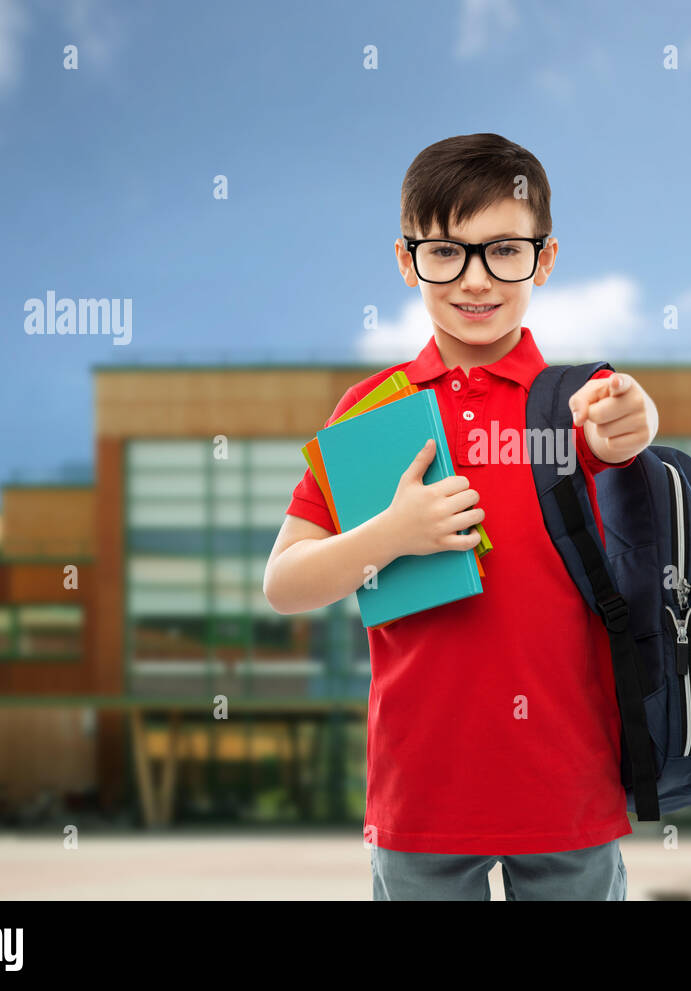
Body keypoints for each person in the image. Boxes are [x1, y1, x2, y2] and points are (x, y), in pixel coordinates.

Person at [264, 133, 660, 900]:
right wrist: (390, 536)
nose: (476, 279)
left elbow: (630, 433)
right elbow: (285, 582)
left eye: (504, 250)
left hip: (570, 786)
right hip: (424, 796)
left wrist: (635, 419)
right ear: (408, 260)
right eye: (447, 252)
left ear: (544, 260)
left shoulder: (582, 401)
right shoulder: (374, 413)